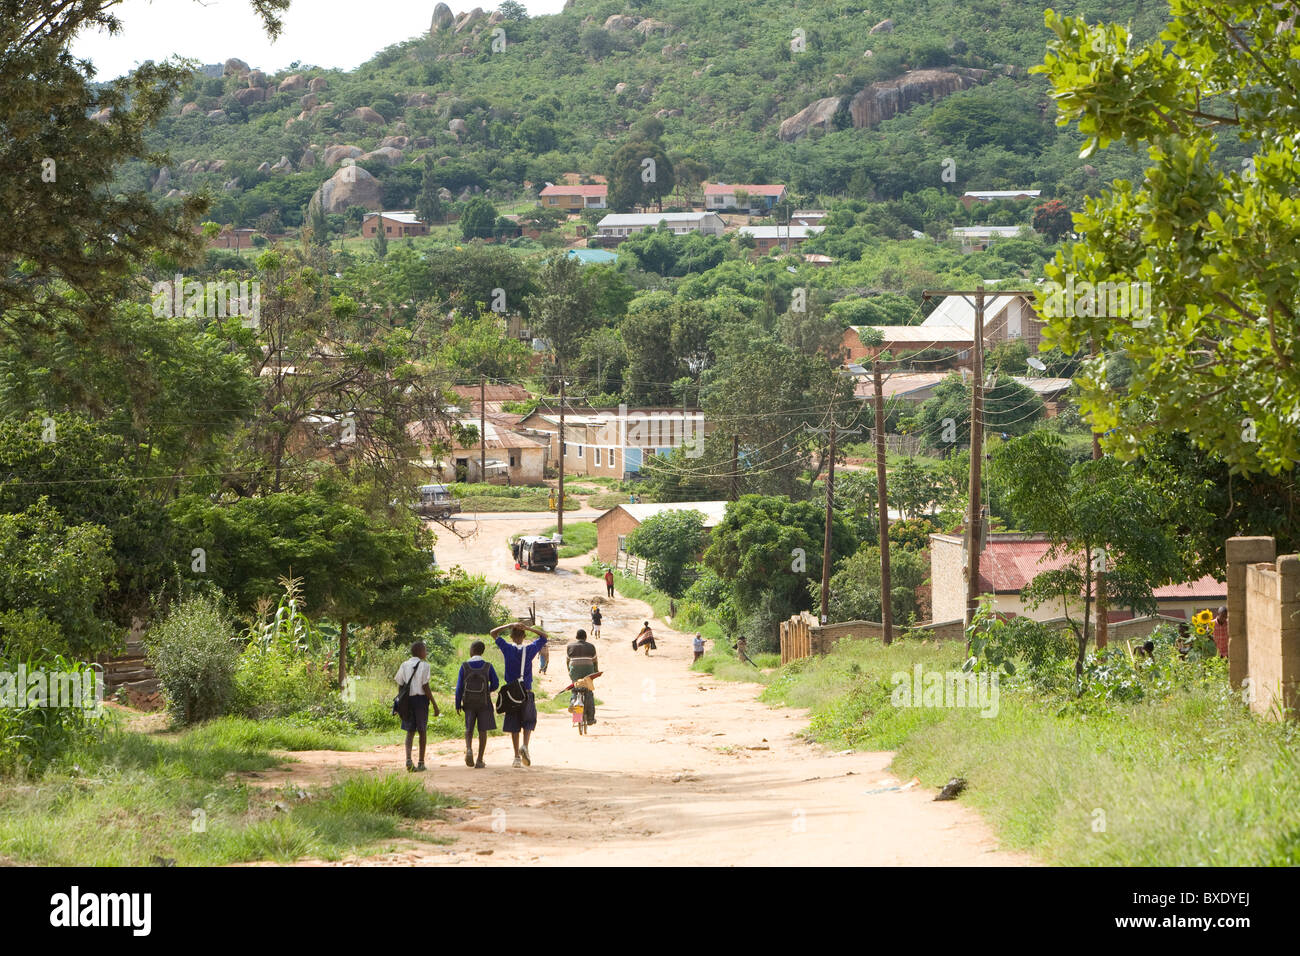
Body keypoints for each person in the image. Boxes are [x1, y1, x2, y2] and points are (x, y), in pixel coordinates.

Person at [490, 621, 548, 768]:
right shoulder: (530, 649)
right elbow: (544, 637)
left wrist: (508, 625)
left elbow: (493, 633)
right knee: (528, 720)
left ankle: (516, 756)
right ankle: (525, 745)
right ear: (523, 635)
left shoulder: (507, 649)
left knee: (513, 724)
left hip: (511, 693)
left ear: (511, 636)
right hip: (526, 691)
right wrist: (528, 627)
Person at [394, 641, 440, 772]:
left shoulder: (404, 665)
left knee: (410, 731)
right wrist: (435, 705)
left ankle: (408, 759)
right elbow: (425, 686)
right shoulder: (425, 666)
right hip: (421, 701)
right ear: (420, 652)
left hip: (407, 701)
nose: (426, 652)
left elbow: (400, 685)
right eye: (425, 650)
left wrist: (401, 703)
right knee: (422, 731)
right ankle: (421, 762)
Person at [455, 640, 499, 769]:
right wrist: (486, 690)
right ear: (482, 651)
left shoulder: (464, 666)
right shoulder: (488, 666)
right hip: (484, 702)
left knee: (469, 729)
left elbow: (459, 688)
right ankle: (479, 760)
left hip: (468, 703)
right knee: (482, 730)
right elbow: (495, 684)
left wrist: (458, 704)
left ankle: (469, 748)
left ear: (472, 650)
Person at [566, 628, 599, 724]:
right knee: (589, 692)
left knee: (575, 690)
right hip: (588, 672)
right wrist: (595, 672)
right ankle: (590, 719)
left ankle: (576, 715)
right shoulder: (591, 646)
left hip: (574, 672)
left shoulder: (570, 646)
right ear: (585, 637)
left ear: (576, 637)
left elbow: (567, 661)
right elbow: (595, 661)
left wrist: (570, 672)